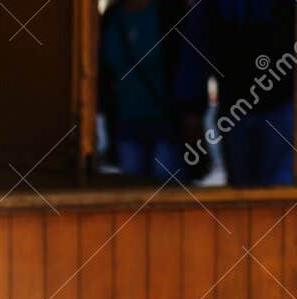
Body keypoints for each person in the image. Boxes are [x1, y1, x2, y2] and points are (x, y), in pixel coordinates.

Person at [178, 0, 296, 186]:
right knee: (248, 192)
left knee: (276, 188)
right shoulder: (212, 7)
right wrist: (191, 109)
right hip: (238, 111)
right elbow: (196, 52)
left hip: (278, 108)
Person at [98, 0, 193, 180]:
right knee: (134, 194)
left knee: (167, 195)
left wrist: (190, 114)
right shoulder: (111, 18)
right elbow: (103, 74)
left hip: (167, 123)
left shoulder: (170, 13)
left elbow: (187, 67)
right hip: (125, 123)